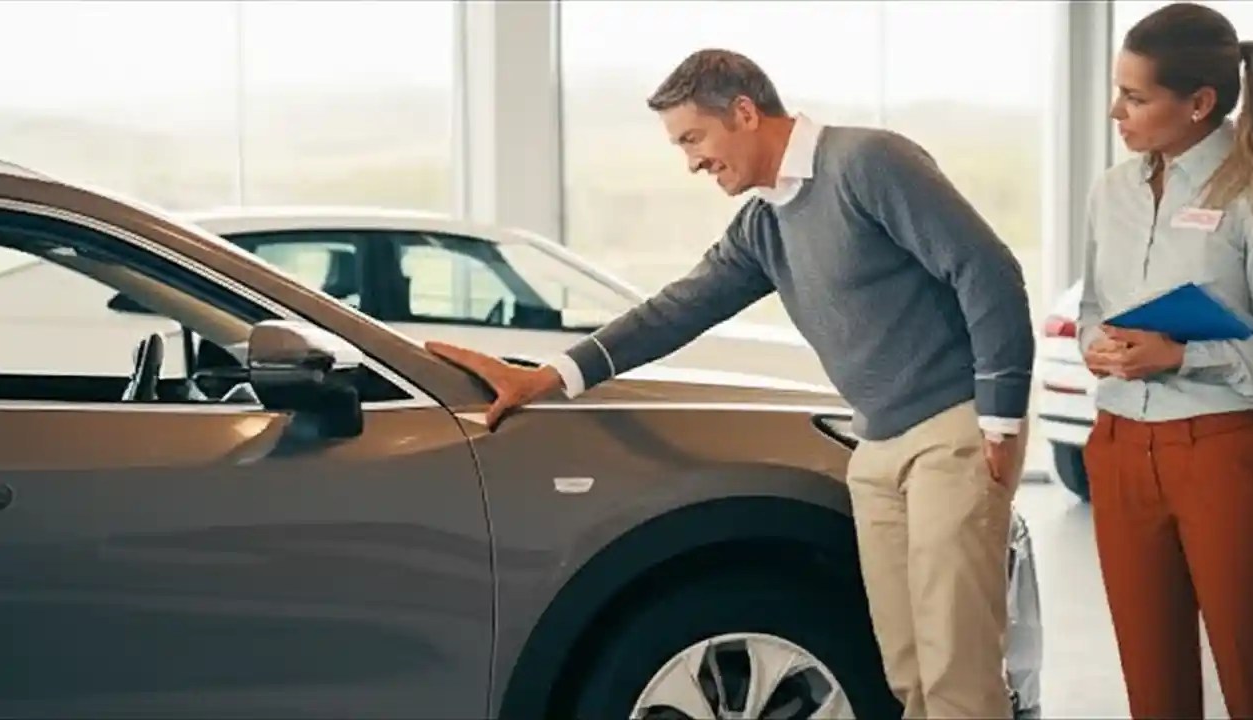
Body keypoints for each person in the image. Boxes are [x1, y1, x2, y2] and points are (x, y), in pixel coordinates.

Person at [428, 49, 1035, 719]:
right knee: (909, 671)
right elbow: (676, 310)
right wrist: (548, 377)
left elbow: (987, 269)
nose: (692, 162)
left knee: (957, 667)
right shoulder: (765, 225)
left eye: (694, 139)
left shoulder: (867, 163)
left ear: (744, 112)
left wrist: (1000, 417)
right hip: (877, 448)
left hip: (952, 428)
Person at [1078, 3, 1253, 718]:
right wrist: (1097, 346)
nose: (1116, 112)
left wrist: (1180, 356)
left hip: (1222, 455)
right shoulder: (1111, 192)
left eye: (1135, 97)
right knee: (1151, 684)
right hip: (1118, 450)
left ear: (1199, 103)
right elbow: (1093, 305)